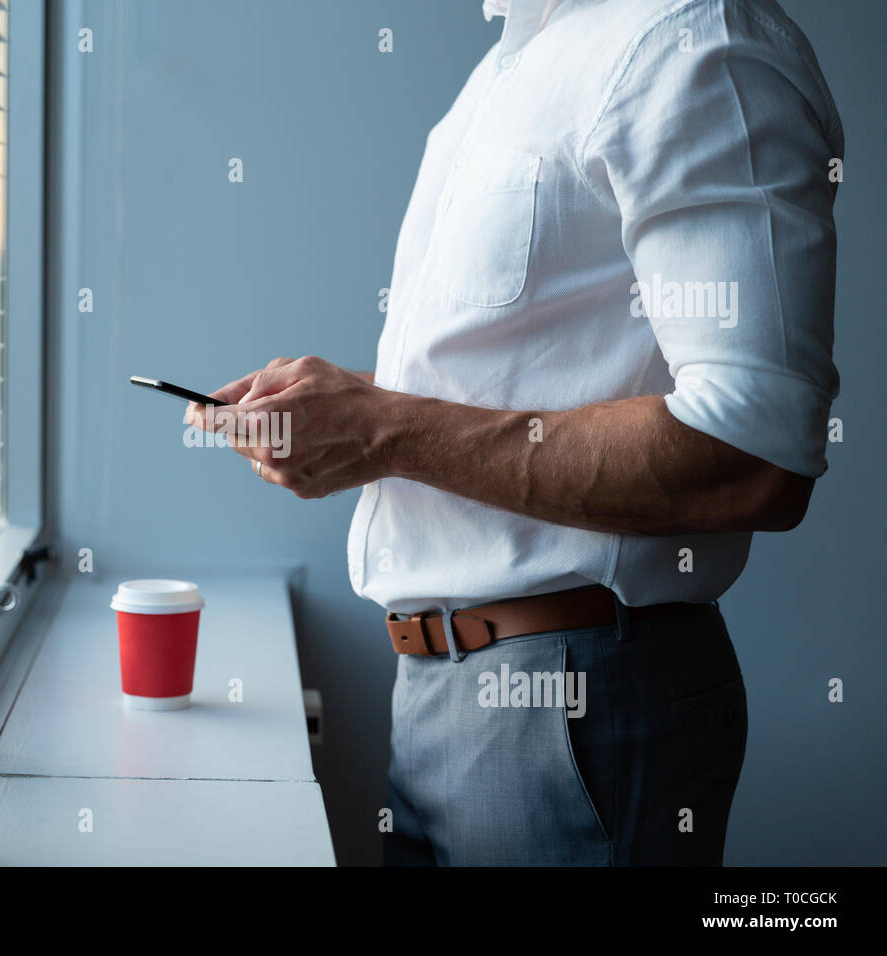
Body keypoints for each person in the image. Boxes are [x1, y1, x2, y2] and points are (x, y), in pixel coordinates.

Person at [186, 0, 841, 865]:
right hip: (438, 703)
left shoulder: (694, 43)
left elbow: (754, 453)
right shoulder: (503, 73)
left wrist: (388, 430)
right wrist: (350, 411)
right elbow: (524, 386)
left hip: (571, 708)